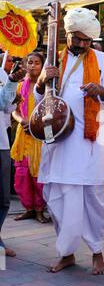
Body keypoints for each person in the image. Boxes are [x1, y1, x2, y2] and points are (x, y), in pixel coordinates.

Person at [34, 8, 104, 274]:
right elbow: (41, 105)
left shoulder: (103, 60)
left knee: (94, 200)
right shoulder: (53, 60)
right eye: (77, 39)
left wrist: (100, 90)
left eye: (87, 40)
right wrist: (40, 82)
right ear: (67, 35)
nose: (82, 44)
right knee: (60, 198)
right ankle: (66, 252)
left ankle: (97, 252)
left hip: (90, 142)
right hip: (59, 143)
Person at [11, 52, 48, 223]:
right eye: (30, 62)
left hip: (41, 133)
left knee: (39, 175)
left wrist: (35, 124)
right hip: (23, 133)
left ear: (43, 66)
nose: (33, 66)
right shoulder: (19, 87)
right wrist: (22, 121)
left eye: (37, 63)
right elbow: (14, 110)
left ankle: (40, 209)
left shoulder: (49, 87)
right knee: (22, 173)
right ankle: (29, 208)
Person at [0, 62, 26, 257]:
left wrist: (15, 99)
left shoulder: (2, 72)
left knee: (3, 199)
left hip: (2, 142)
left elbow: (6, 108)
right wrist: (10, 82)